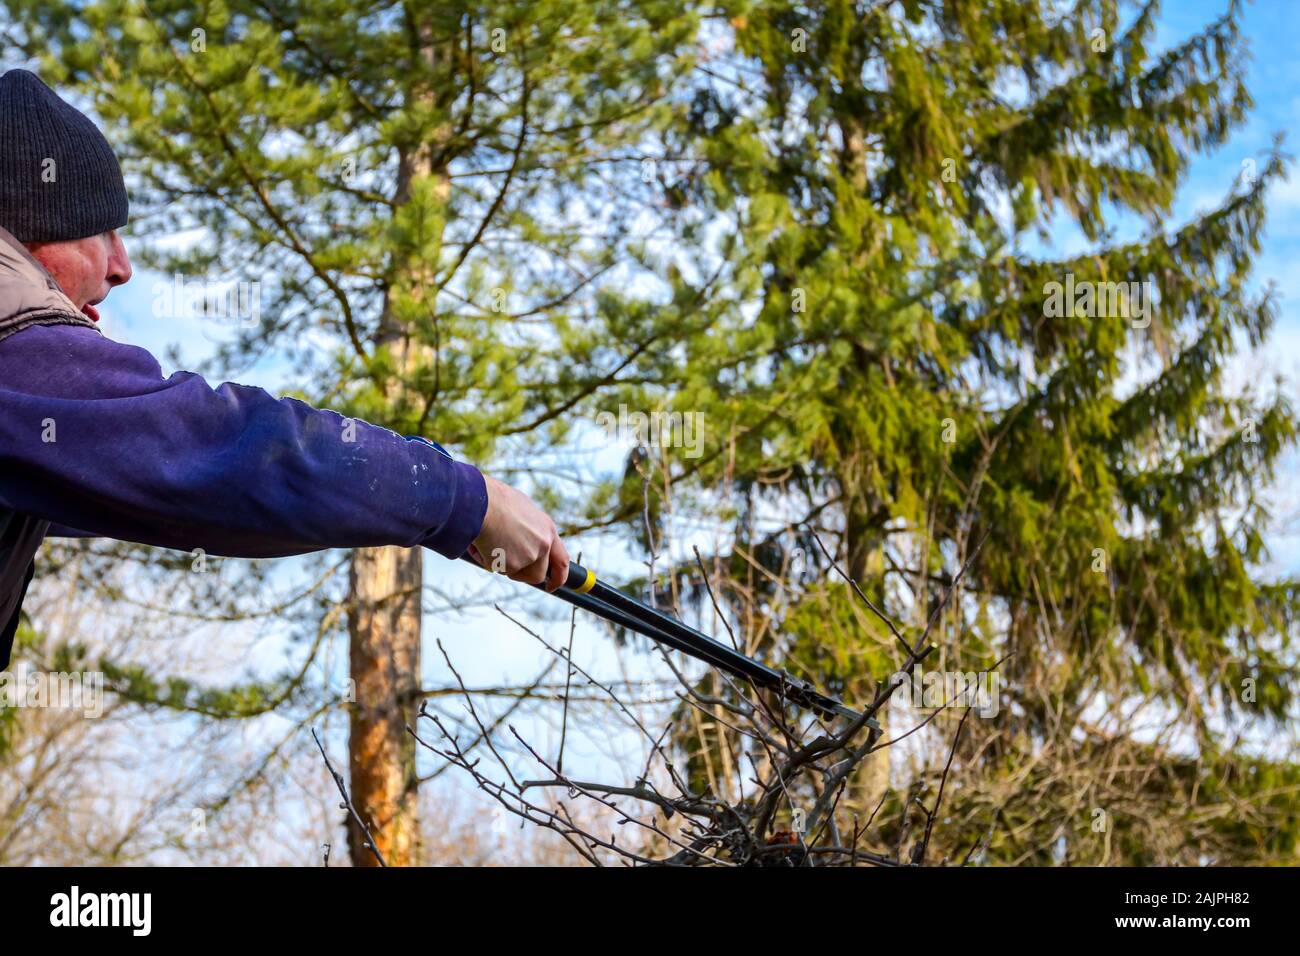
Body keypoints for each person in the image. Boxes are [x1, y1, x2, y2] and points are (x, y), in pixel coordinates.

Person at [0, 69, 569, 670]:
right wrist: (469, 501)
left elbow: (191, 493)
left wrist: (415, 513)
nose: (122, 266)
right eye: (101, 230)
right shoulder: (11, 334)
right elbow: (221, 450)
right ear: (33, 226)